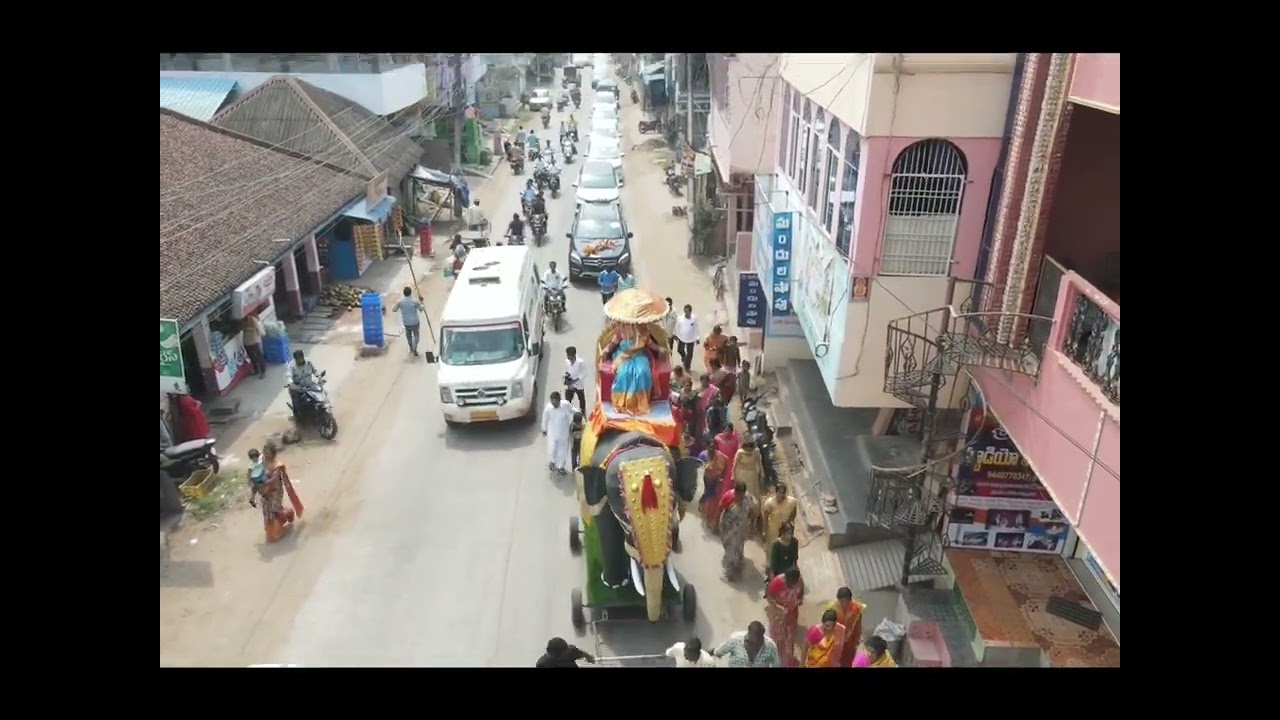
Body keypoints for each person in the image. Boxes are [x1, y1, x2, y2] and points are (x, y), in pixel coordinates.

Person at [249, 443, 304, 544]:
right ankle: (273, 527)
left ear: (273, 453)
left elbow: (274, 479)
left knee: (276, 510)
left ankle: (288, 513)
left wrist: (263, 482)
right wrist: (253, 492)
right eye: (265, 452)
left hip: (275, 491)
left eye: (268, 453)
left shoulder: (277, 465)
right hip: (264, 492)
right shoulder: (261, 462)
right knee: (266, 511)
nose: (266, 454)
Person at [607, 324, 659, 416]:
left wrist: (662, 349)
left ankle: (640, 403)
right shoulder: (621, 331)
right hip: (623, 355)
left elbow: (651, 345)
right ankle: (623, 402)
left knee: (641, 373)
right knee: (624, 373)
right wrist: (605, 350)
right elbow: (612, 344)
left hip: (639, 355)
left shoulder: (644, 330)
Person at [765, 567, 806, 667]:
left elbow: (801, 593)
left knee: (790, 637)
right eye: (789, 582)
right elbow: (769, 596)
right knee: (777, 637)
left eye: (793, 584)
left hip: (792, 614)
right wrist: (778, 608)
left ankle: (788, 660)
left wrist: (800, 599)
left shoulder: (799, 581)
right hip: (778, 615)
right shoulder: (777, 582)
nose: (791, 585)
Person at [717, 481, 756, 580]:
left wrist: (751, 528)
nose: (739, 497)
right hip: (728, 528)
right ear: (735, 492)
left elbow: (751, 512)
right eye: (737, 494)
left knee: (738, 547)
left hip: (741, 528)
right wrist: (718, 526)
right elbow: (720, 510)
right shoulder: (728, 497)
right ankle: (730, 571)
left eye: (741, 495)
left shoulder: (748, 498)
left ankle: (736, 565)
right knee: (729, 548)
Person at [713, 621, 782, 668]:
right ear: (748, 632)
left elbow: (776, 665)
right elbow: (719, 652)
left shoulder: (770, 646)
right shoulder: (735, 641)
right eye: (754, 637)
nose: (756, 641)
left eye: (759, 639)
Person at [829, 586, 867, 668]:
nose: (843, 604)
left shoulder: (856, 609)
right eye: (841, 602)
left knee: (848, 662)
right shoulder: (832, 609)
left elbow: (858, 626)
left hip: (851, 642)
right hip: (836, 642)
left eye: (846, 602)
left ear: (850, 600)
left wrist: (857, 639)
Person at [541, 391, 576, 476]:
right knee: (552, 450)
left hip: (564, 433)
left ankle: (560, 467)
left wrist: (578, 414)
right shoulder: (548, 408)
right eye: (552, 401)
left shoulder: (565, 405)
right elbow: (544, 419)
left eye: (556, 401)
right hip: (552, 433)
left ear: (559, 400)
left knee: (562, 451)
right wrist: (544, 429)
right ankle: (553, 462)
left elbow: (573, 410)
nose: (554, 403)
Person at [733, 439, 765, 523]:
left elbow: (759, 463)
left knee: (753, 494)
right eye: (747, 448)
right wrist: (733, 475)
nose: (749, 450)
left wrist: (762, 474)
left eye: (750, 449)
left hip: (752, 476)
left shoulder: (756, 452)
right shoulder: (740, 453)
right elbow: (735, 464)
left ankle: (754, 513)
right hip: (742, 475)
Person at [284, 349, 319, 420]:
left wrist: (319, 376)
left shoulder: (309, 362)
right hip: (298, 388)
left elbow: (314, 371)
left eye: (301, 358)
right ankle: (297, 416)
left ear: (303, 357)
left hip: (309, 385)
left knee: (319, 394)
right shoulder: (291, 366)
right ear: (295, 359)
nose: (300, 360)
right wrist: (291, 384)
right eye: (298, 359)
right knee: (297, 404)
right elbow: (288, 376)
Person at [698, 445, 728, 529]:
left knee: (712, 499)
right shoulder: (703, 455)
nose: (711, 450)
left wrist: (721, 476)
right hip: (705, 480)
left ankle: (709, 519)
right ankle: (705, 517)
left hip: (714, 481)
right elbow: (700, 467)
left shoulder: (719, 457)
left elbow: (726, 461)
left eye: (713, 449)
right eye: (710, 449)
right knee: (706, 497)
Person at [766, 522, 800, 592]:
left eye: (791, 533)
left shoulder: (794, 542)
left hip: (789, 572)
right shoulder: (776, 545)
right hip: (777, 573)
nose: (790, 536)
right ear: (782, 533)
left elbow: (795, 560)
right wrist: (773, 583)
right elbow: (772, 567)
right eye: (788, 533)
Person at [692, 374, 721, 454]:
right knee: (699, 432)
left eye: (706, 381)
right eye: (703, 381)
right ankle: (699, 449)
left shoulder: (714, 390)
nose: (704, 383)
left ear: (709, 381)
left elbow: (718, 400)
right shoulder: (697, 390)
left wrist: (711, 403)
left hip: (709, 415)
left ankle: (710, 449)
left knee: (709, 431)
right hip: (699, 415)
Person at [395, 286, 426, 358]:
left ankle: (411, 347)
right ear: (410, 293)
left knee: (408, 336)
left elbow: (394, 309)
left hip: (406, 323)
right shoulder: (415, 301)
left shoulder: (400, 302)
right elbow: (421, 309)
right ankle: (415, 347)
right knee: (416, 336)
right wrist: (422, 302)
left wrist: (399, 305)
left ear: (404, 293)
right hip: (415, 322)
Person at [241, 313, 267, 379]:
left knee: (259, 357)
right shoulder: (242, 321)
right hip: (247, 342)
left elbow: (258, 330)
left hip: (254, 342)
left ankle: (262, 372)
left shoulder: (253, 320)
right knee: (252, 357)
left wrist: (249, 330)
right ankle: (256, 370)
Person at [673, 304, 698, 371]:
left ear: (690, 311)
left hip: (691, 338)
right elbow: (676, 326)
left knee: (690, 353)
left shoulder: (694, 318)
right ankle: (684, 358)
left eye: (687, 311)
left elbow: (696, 328)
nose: (685, 313)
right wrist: (675, 334)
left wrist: (697, 338)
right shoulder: (680, 318)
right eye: (685, 311)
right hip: (682, 337)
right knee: (679, 350)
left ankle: (687, 366)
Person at [564, 345, 586, 412]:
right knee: (568, 399)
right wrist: (566, 376)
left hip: (578, 384)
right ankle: (568, 411)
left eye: (569, 356)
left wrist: (576, 379)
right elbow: (566, 370)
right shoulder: (567, 362)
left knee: (581, 398)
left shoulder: (580, 362)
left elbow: (583, 373)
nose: (568, 357)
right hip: (570, 384)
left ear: (574, 355)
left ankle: (582, 411)